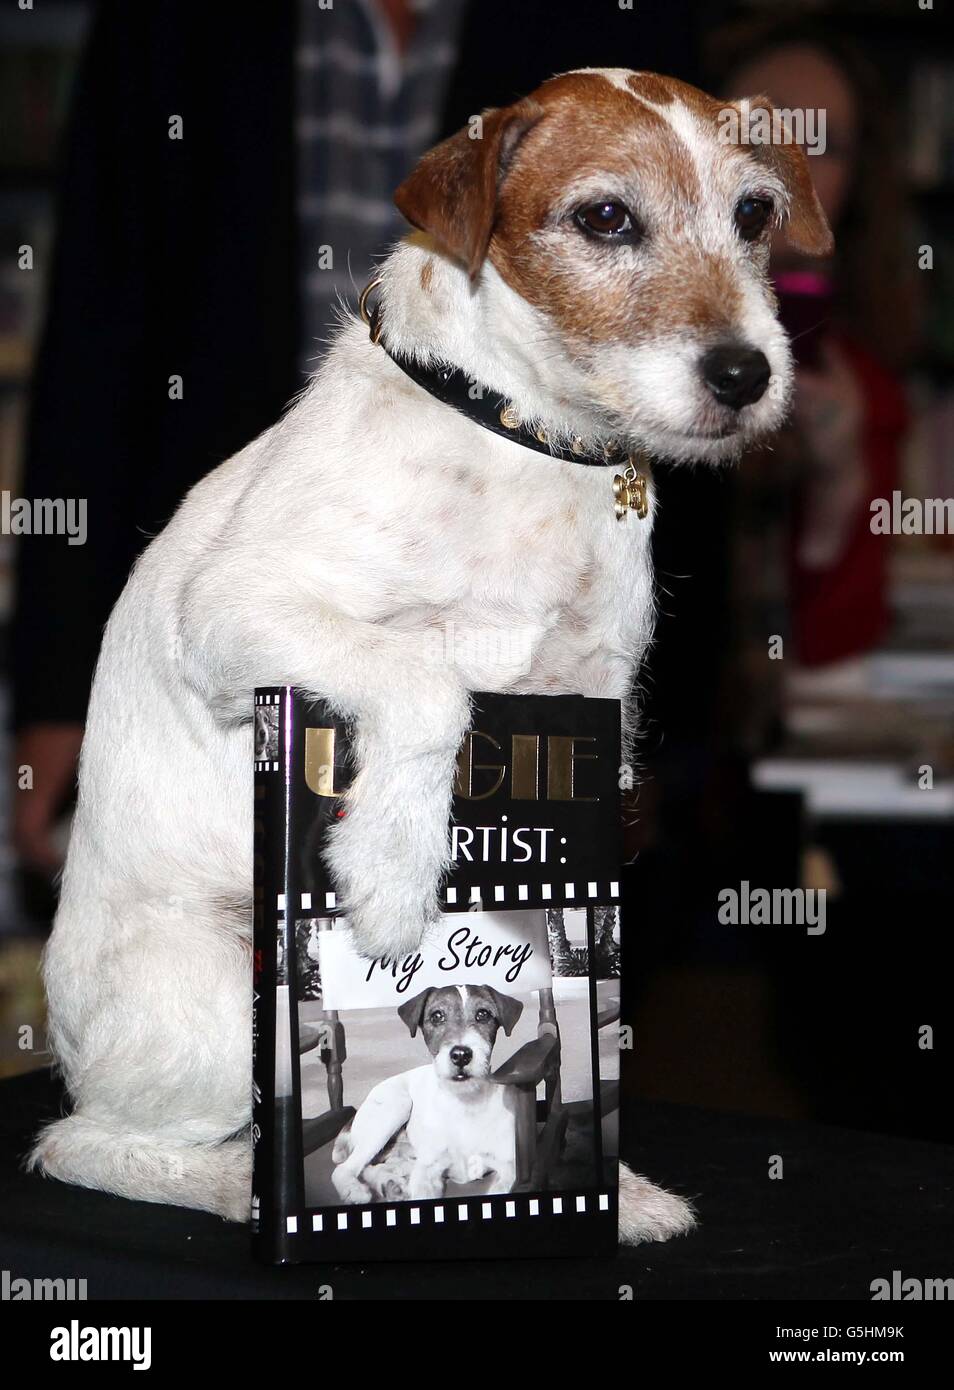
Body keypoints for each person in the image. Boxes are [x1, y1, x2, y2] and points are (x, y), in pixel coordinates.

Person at [12, 0, 699, 877]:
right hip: (240, 589)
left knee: (515, 948)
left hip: (527, 590)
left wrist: (641, 736)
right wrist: (59, 690)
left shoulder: (617, 20)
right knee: (246, 954)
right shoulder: (171, 24)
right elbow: (95, 340)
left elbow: (669, 378)